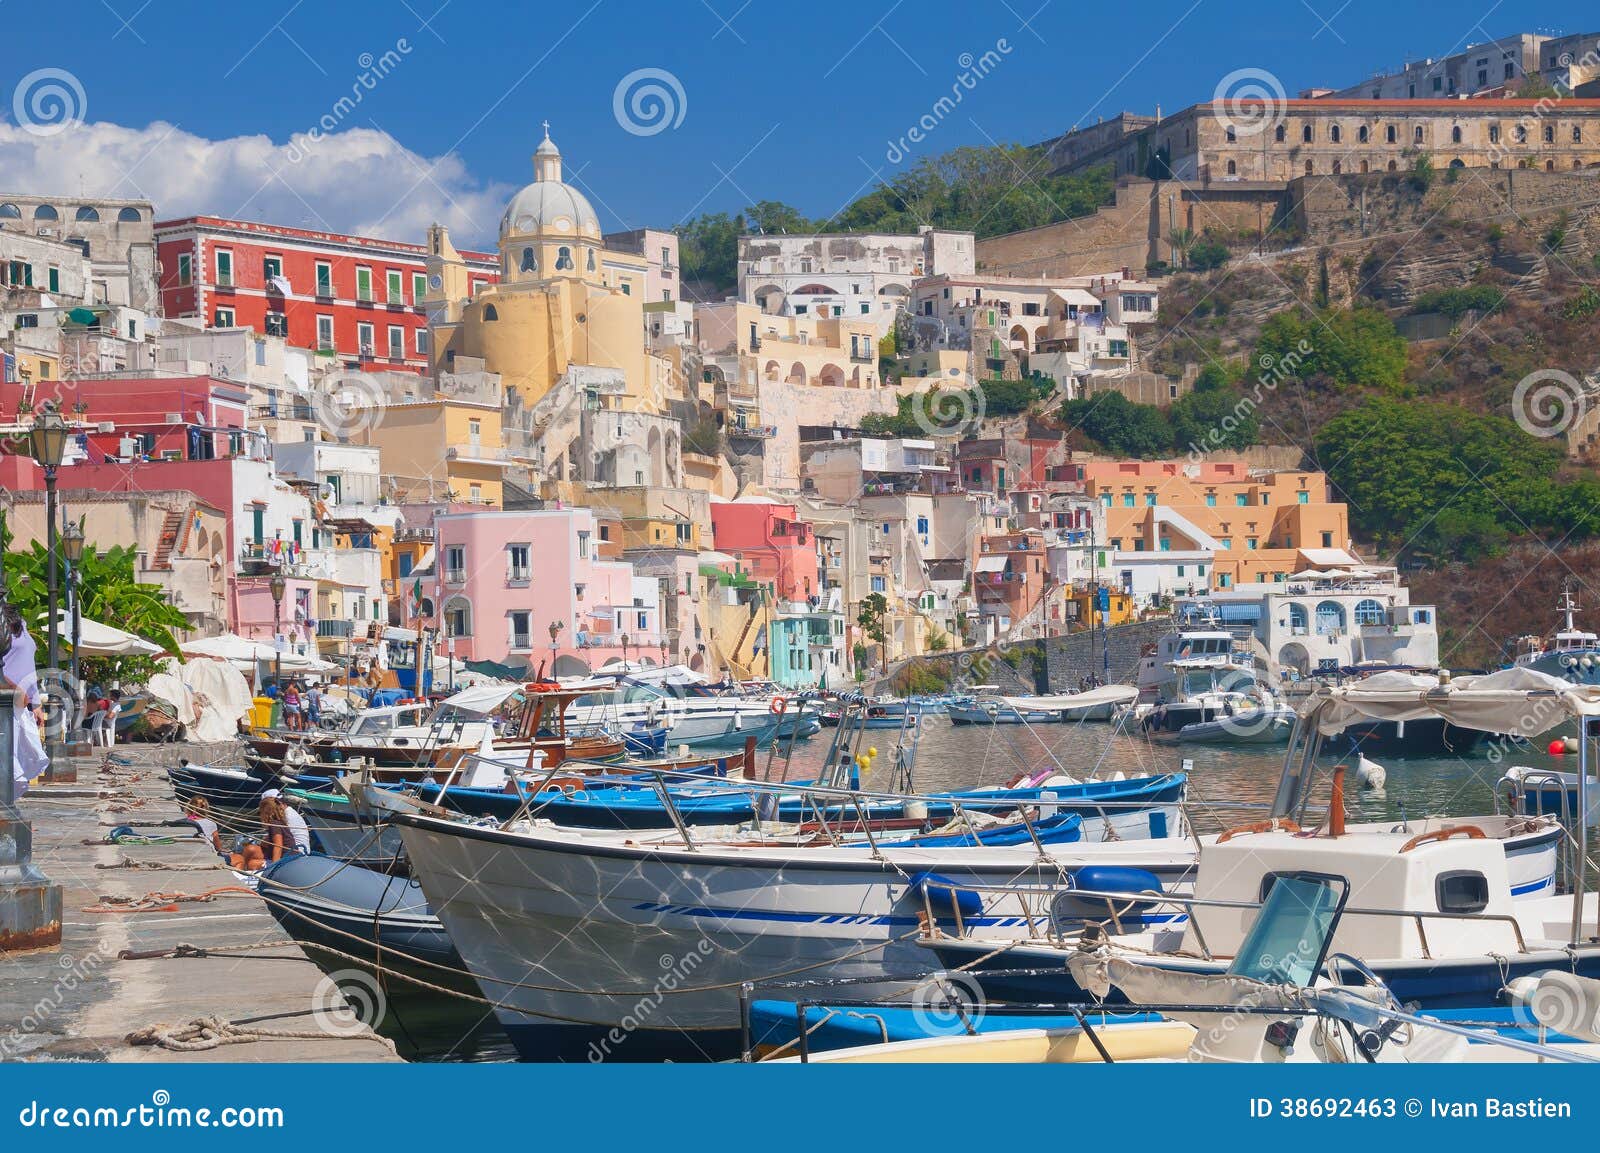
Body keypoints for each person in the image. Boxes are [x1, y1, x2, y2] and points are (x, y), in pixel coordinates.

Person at [3, 607, 48, 795]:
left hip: (21, 703)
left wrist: (36, 703)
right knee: (8, 757)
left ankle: (9, 809)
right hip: (6, 698)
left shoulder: (22, 625)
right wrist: (14, 688)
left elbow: (29, 665)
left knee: (23, 754)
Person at [263, 788, 312, 855]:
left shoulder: (282, 818)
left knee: (253, 853)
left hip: (295, 852)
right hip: (303, 850)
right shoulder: (290, 811)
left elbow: (277, 843)